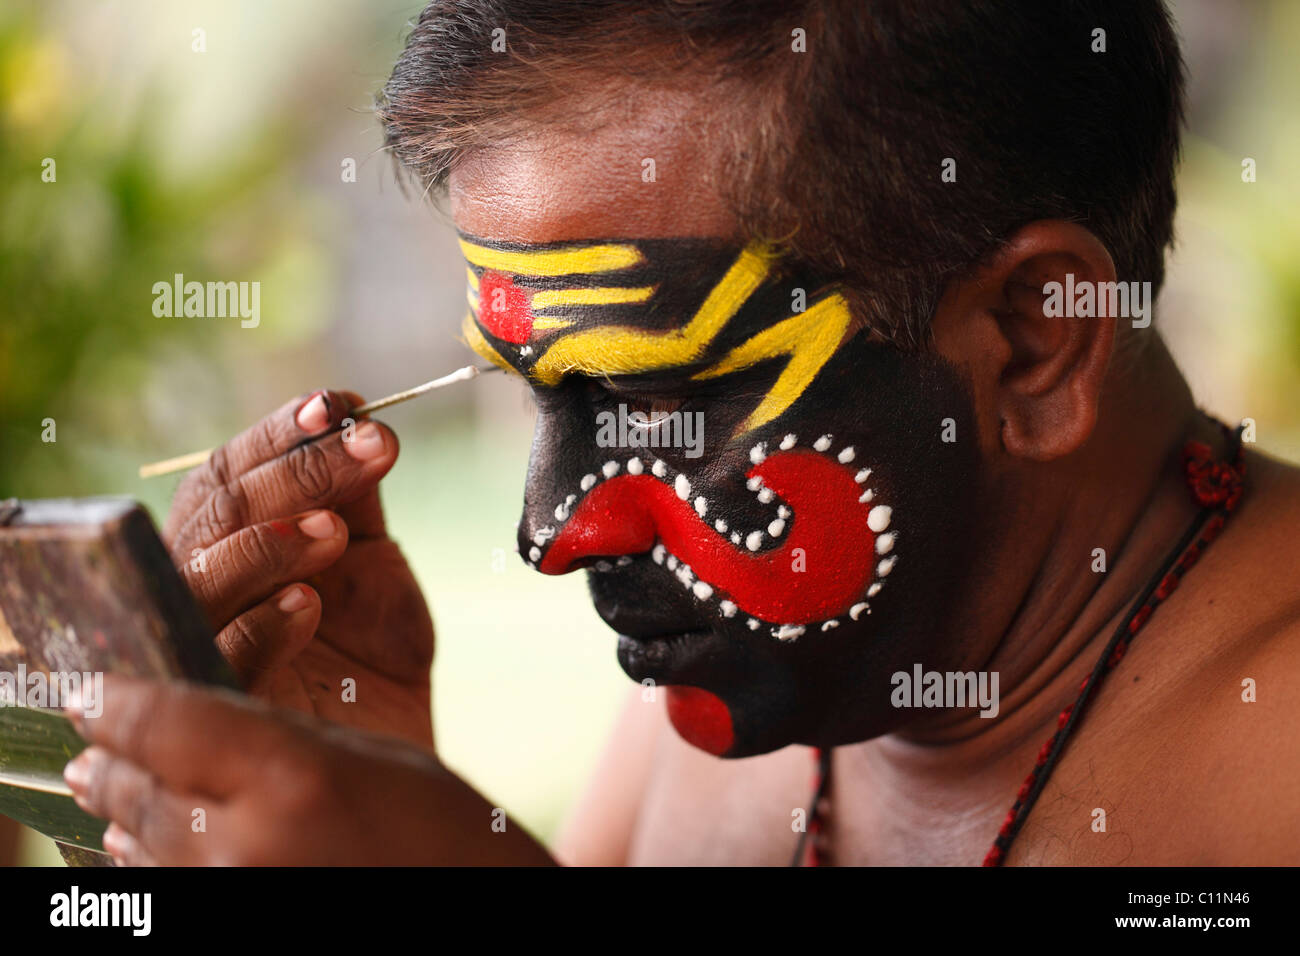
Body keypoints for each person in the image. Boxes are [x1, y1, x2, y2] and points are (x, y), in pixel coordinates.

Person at [60, 0, 1300, 865]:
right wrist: (360, 782)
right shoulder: (740, 709)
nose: (552, 530)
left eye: (648, 400)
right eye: (534, 391)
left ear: (1033, 340)